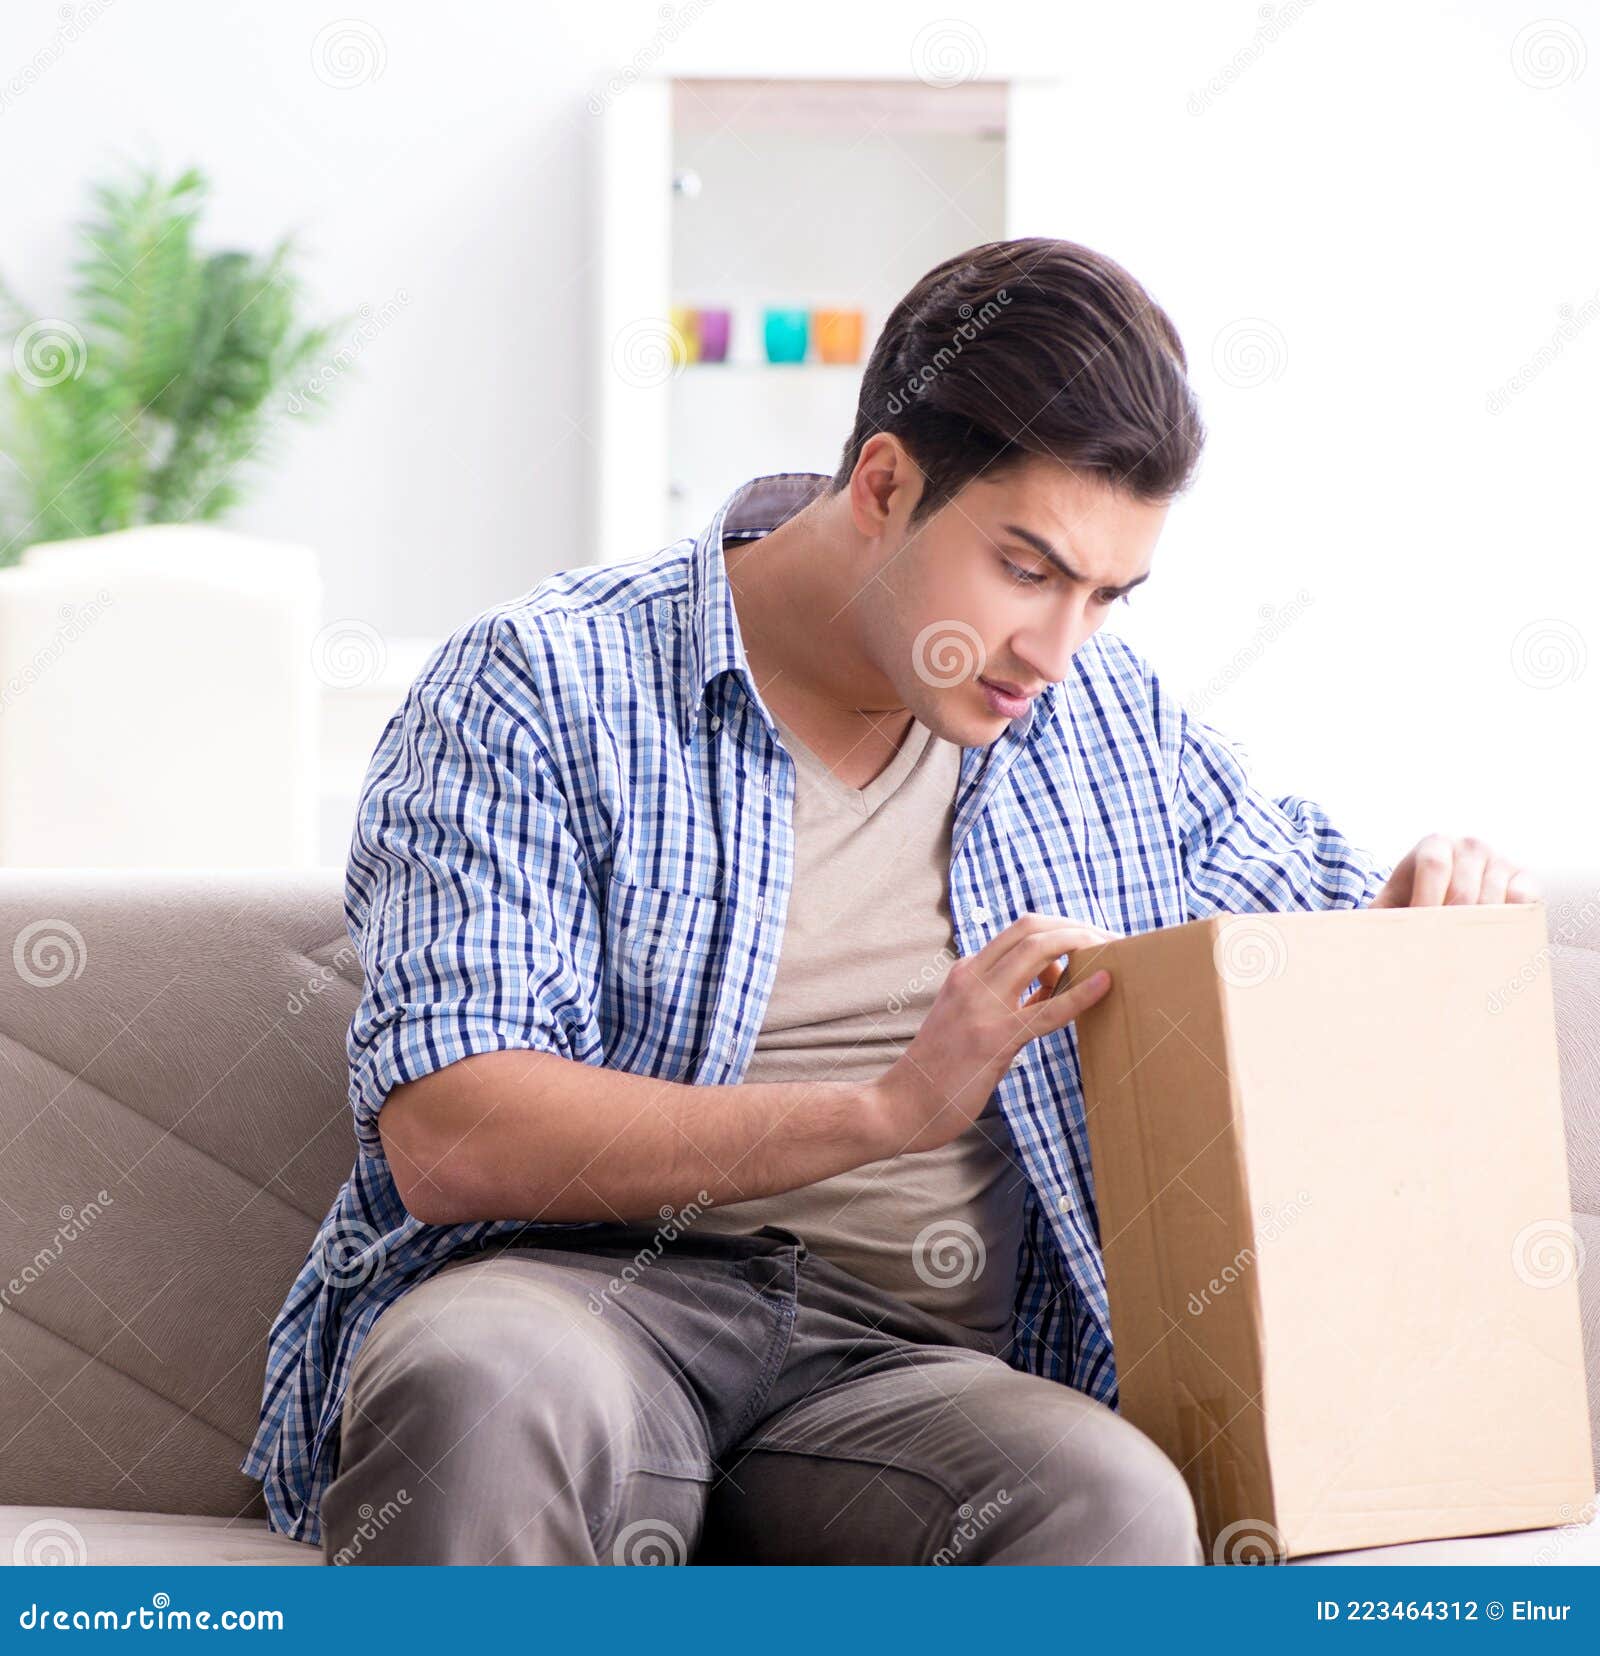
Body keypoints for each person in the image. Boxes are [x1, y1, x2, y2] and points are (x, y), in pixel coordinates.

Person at [240, 237, 1539, 1565]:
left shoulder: (1105, 720)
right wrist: (885, 1111)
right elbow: (452, 1135)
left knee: (1111, 1505)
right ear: (882, 484)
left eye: (1105, 596)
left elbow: (1302, 933)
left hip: (909, 1370)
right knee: (485, 1395)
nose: (1057, 648)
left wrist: (1425, 906)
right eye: (1026, 570)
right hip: (577, 1304)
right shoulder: (545, 683)